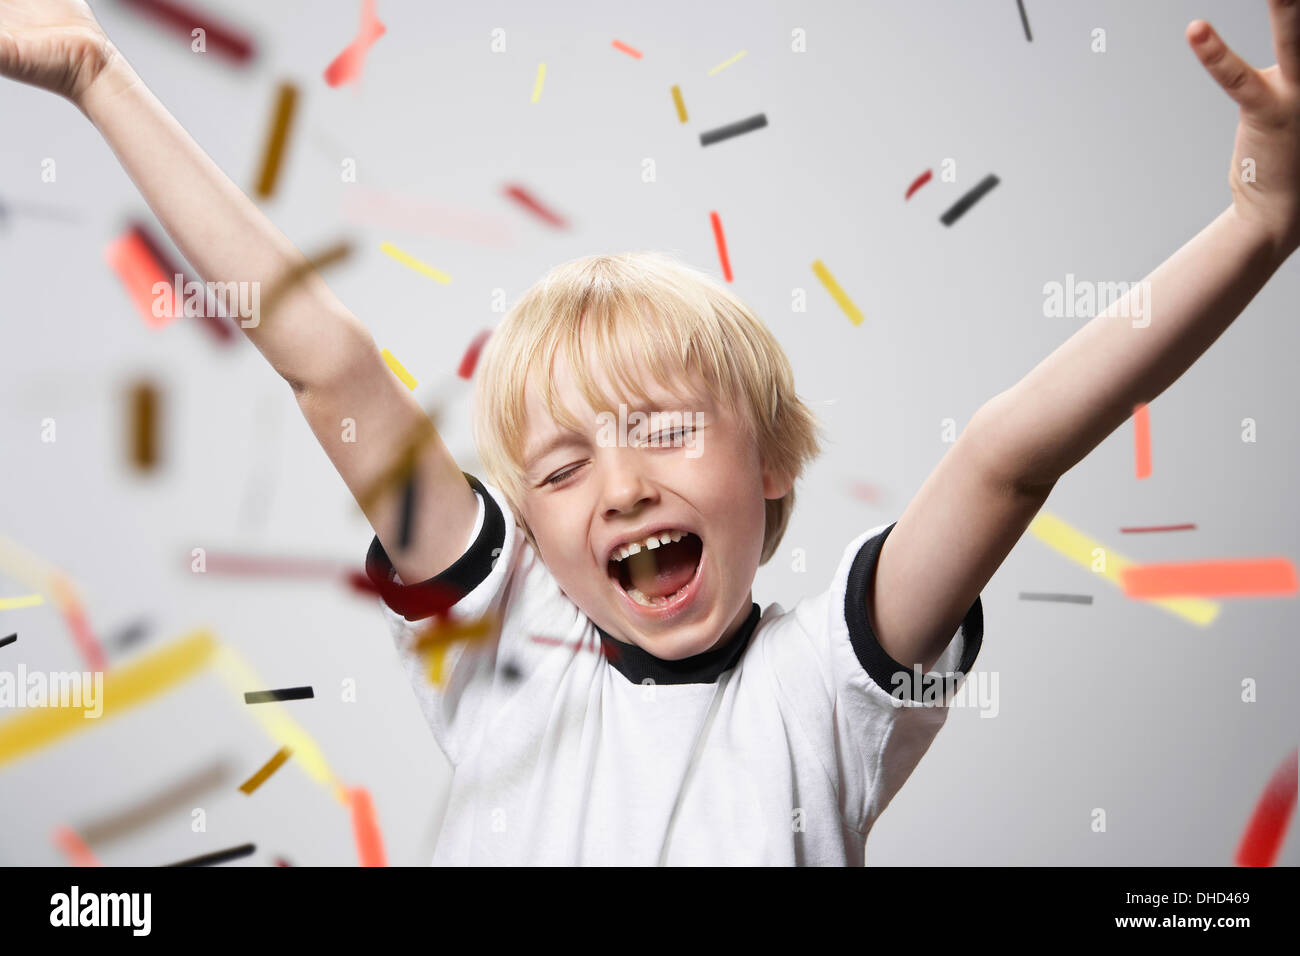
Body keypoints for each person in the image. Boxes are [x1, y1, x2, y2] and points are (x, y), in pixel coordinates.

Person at [4, 0, 1297, 864]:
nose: (617, 486)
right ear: (538, 543)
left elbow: (1009, 455)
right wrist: (100, 74)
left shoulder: (832, 687)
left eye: (665, 428)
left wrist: (1256, 224)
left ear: (774, 464)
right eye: (561, 467)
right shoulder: (498, 639)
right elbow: (325, 359)